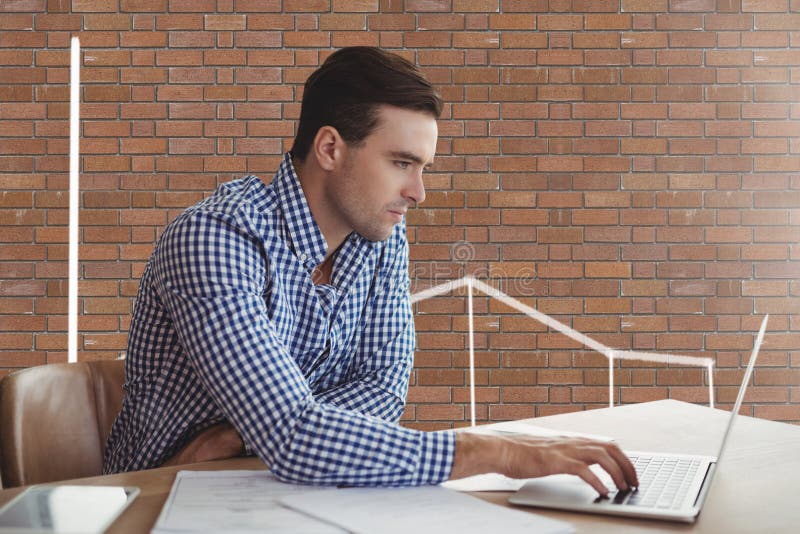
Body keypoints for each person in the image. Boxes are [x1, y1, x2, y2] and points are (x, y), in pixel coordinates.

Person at [104, 46, 638, 496]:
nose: (418, 192)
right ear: (331, 148)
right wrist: (492, 450)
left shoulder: (381, 238)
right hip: (155, 498)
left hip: (274, 486)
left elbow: (383, 388)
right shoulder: (216, 238)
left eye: (421, 168)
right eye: (402, 163)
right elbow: (292, 436)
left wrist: (243, 436)